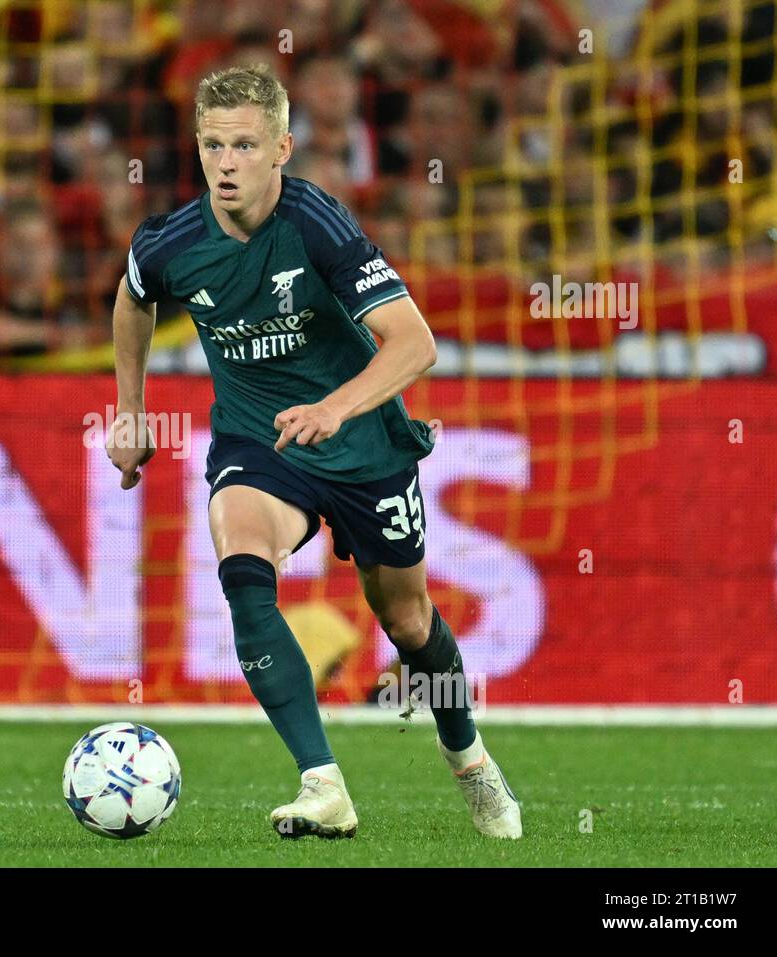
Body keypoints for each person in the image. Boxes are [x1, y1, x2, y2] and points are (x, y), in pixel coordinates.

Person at [106, 64, 521, 840]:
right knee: (241, 564)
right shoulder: (172, 242)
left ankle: (467, 756)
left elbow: (415, 343)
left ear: (282, 148)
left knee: (405, 619)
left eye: (244, 145)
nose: (226, 163)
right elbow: (133, 295)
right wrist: (131, 413)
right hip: (260, 441)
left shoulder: (318, 227)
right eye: (212, 145)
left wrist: (336, 407)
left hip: (361, 441)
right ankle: (322, 781)